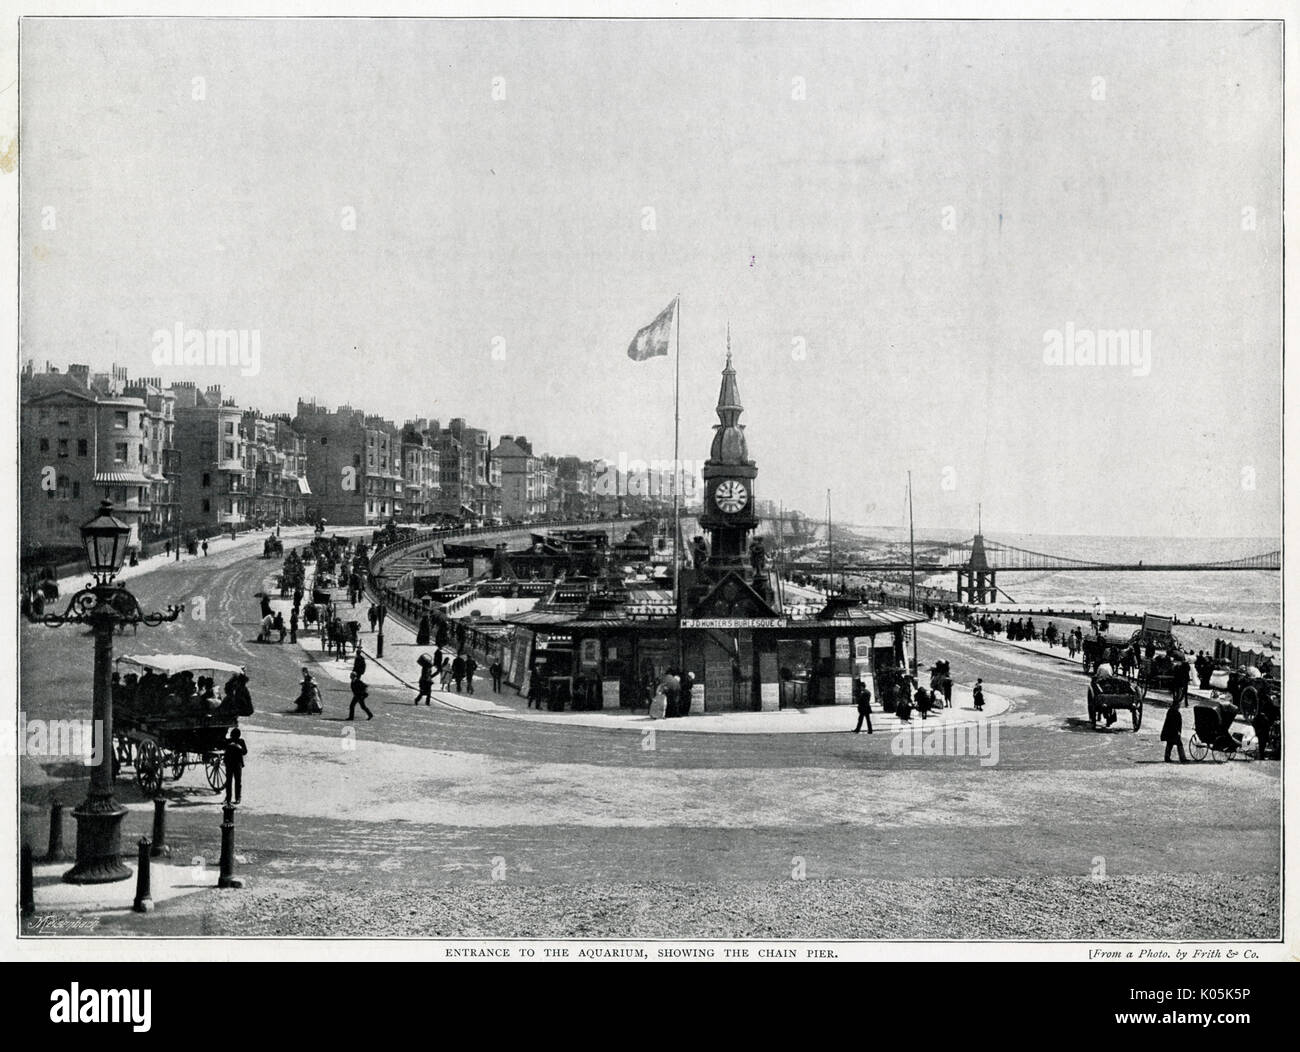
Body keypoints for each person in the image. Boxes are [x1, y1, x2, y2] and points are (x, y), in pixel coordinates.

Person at [223, 729, 247, 805]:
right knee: (236, 781)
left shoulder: (239, 741)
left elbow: (245, 751)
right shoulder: (236, 741)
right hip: (236, 764)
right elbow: (245, 751)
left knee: (230, 781)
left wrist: (239, 747)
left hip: (232, 764)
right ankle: (234, 798)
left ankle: (231, 798)